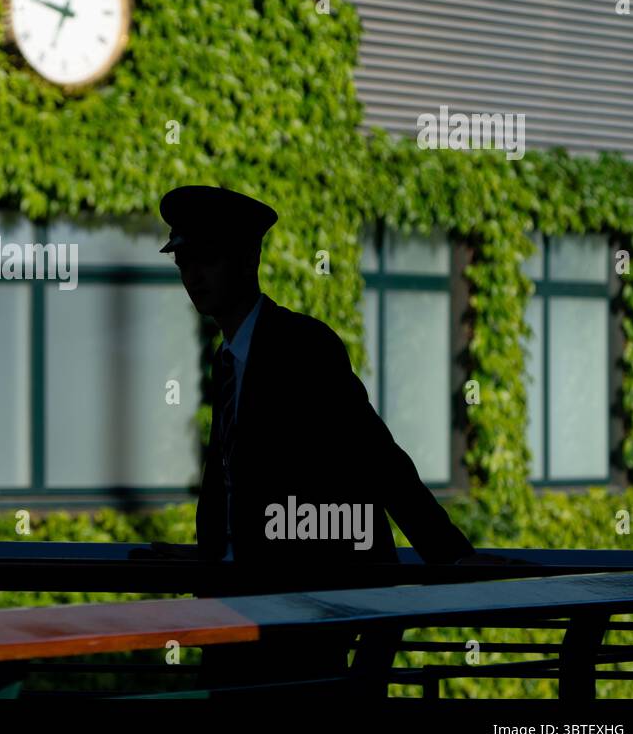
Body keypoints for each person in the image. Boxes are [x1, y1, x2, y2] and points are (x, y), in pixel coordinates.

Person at [150, 184, 489, 698]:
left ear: (248, 260)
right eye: (184, 261)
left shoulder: (300, 345)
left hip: (295, 615)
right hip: (248, 608)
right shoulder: (232, 358)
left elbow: (375, 454)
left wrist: (449, 554)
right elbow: (240, 479)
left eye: (207, 259)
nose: (192, 276)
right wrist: (211, 551)